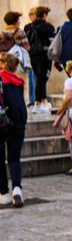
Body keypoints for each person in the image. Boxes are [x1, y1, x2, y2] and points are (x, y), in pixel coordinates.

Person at [0, 52, 28, 208]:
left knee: (0, 158)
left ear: (4, 64)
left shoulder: (1, 78)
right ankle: (17, 189)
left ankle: (3, 193)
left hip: (2, 123)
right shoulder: (19, 81)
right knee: (14, 158)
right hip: (19, 122)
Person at [25, 6, 55, 113]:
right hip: (44, 56)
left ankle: (43, 101)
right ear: (44, 15)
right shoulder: (48, 27)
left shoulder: (29, 27)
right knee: (42, 79)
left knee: (39, 78)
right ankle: (37, 103)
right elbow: (53, 43)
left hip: (32, 56)